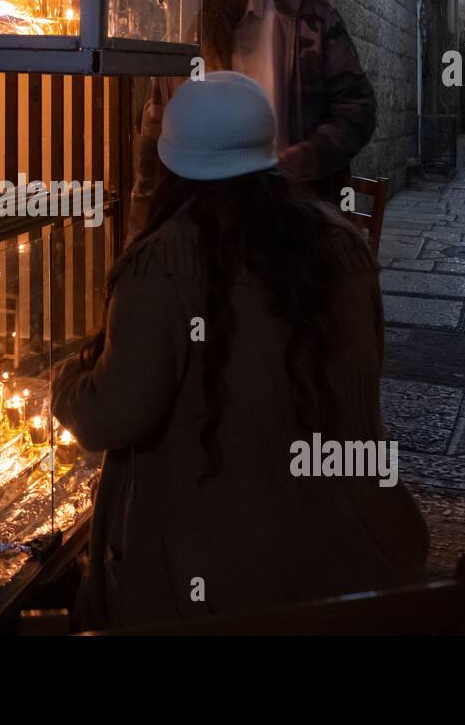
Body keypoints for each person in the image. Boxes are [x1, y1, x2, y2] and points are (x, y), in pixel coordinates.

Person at [53, 71, 428, 631]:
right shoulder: (342, 244)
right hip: (362, 565)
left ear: (171, 164)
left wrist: (66, 381)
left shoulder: (163, 264)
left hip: (217, 592)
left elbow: (112, 415)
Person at [129, 0, 377, 243]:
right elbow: (155, 135)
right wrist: (140, 238)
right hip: (206, 241)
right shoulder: (178, 39)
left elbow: (357, 108)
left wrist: (288, 168)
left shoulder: (307, 22)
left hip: (299, 235)